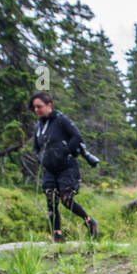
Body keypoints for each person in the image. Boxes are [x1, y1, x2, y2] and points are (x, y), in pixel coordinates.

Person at [30, 92, 98, 242]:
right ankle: (57, 234)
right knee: (51, 199)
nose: (36, 110)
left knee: (67, 200)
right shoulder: (38, 127)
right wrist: (40, 157)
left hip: (67, 167)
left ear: (49, 105)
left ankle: (89, 221)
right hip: (49, 169)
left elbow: (77, 137)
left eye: (39, 106)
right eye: (34, 107)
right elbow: (35, 147)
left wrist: (64, 151)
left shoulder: (61, 121)